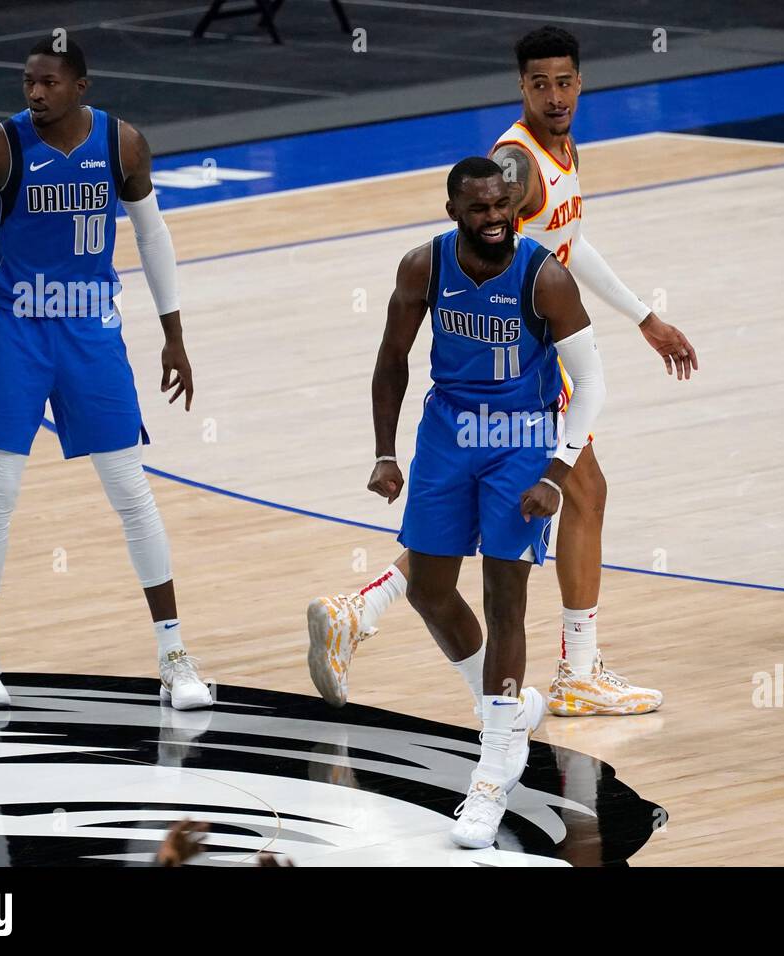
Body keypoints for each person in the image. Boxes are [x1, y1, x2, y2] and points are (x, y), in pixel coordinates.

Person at [308, 26, 688, 718]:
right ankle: (572, 671)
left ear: (580, 82)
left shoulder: (562, 147)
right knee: (575, 495)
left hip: (530, 347)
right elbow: (499, 246)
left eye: (564, 81)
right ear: (522, 87)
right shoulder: (516, 164)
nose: (555, 95)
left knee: (571, 496)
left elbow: (569, 243)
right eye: (540, 84)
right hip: (520, 359)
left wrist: (643, 316)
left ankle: (365, 609)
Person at [0, 38, 211, 711]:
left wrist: (174, 335)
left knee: (131, 490)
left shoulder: (123, 143)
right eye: (28, 82)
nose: (35, 93)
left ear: (80, 87)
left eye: (48, 82)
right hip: (14, 330)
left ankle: (174, 656)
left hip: (90, 331)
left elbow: (152, 236)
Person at [367, 157, 605, 847]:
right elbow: (391, 359)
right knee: (428, 588)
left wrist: (557, 472)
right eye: (480, 209)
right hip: (447, 431)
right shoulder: (423, 267)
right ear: (454, 213)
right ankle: (502, 710)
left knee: (505, 599)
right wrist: (385, 452)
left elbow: (590, 381)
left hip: (521, 441)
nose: (496, 217)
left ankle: (494, 769)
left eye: (503, 205)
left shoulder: (545, 277)